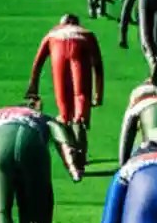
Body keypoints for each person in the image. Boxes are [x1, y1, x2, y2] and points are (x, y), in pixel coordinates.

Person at [26, 14, 105, 161]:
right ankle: (80, 128)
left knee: (63, 105)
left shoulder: (52, 33)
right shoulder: (87, 33)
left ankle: (69, 146)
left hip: (58, 49)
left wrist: (33, 88)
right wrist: (98, 95)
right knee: (80, 96)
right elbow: (98, 66)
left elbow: (38, 62)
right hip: (80, 49)